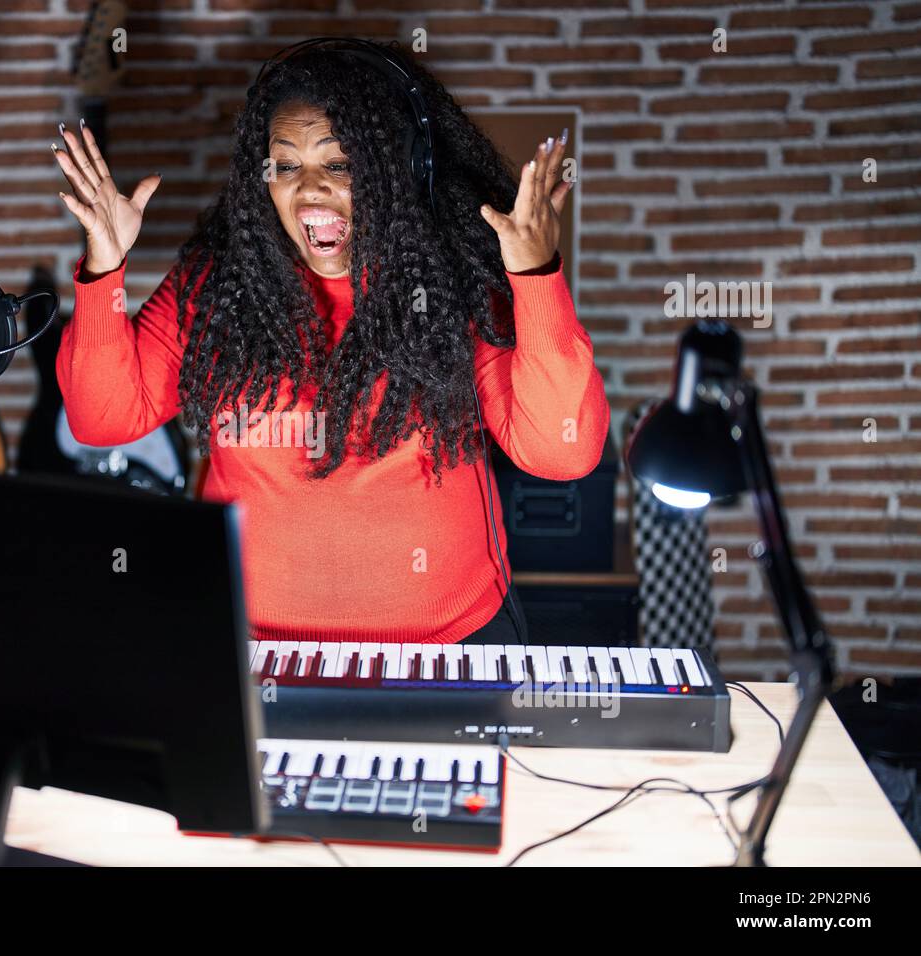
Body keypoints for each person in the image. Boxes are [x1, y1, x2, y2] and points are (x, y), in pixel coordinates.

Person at [52, 43, 609, 646]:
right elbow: (101, 419)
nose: (310, 190)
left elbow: (562, 452)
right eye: (286, 166)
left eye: (340, 164)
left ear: (397, 168)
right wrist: (104, 267)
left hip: (447, 647)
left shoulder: (454, 283)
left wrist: (535, 274)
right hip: (255, 653)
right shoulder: (220, 284)